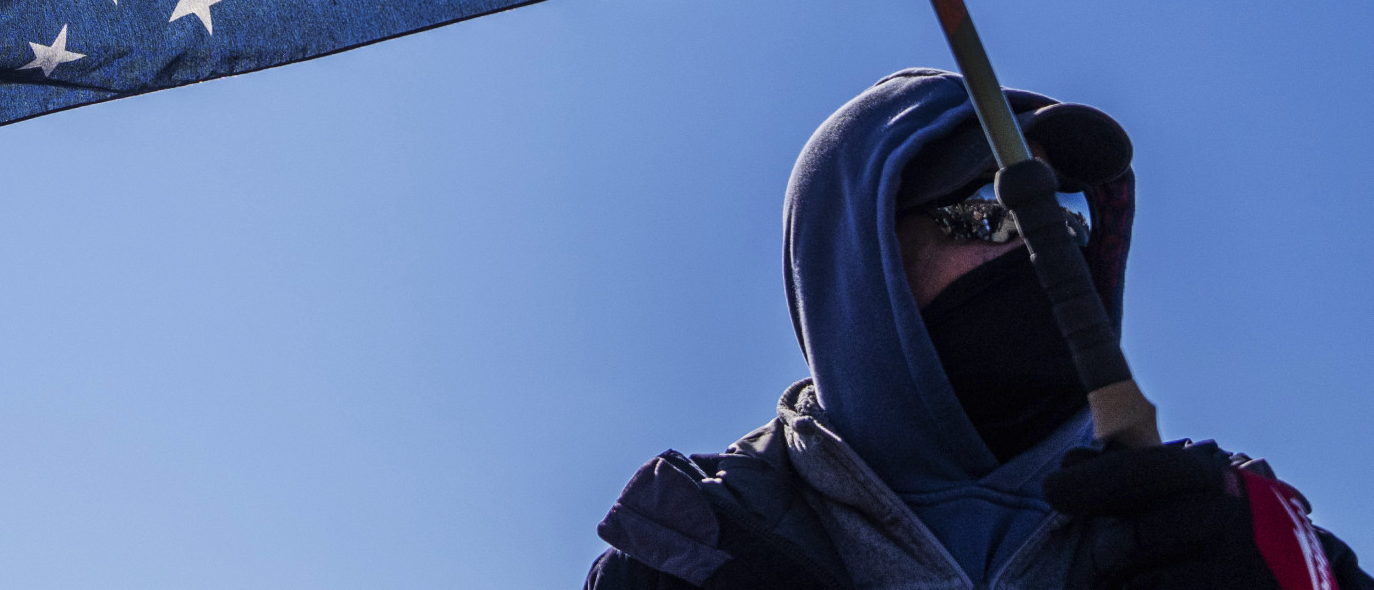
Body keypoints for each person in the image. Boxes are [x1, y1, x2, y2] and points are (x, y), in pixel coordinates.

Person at [584, 68, 1366, 590]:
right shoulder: (685, 554)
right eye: (992, 212)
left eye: (1067, 217)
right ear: (858, 262)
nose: (1047, 246)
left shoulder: (1240, 529)